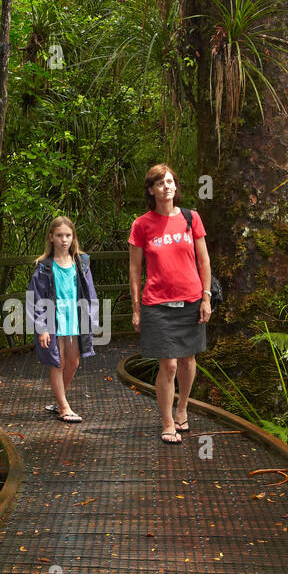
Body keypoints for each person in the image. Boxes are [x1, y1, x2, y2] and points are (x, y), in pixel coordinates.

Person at [128, 164, 212, 444]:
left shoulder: (191, 218)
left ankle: (182, 408)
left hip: (191, 300)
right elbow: (134, 269)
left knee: (188, 360)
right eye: (160, 183)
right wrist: (136, 309)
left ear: (176, 186)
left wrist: (206, 297)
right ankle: (166, 422)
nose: (167, 186)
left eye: (170, 181)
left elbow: (204, 261)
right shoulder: (142, 224)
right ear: (151, 190)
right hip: (158, 304)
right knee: (170, 365)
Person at [28, 216, 98, 422]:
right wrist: (41, 328)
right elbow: (35, 298)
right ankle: (63, 407)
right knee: (57, 363)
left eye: (68, 235)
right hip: (54, 320)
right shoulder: (43, 267)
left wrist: (92, 319)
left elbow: (90, 291)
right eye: (59, 235)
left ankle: (59, 399)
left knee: (73, 362)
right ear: (51, 237)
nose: (64, 240)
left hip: (75, 318)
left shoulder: (81, 263)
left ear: (73, 237)